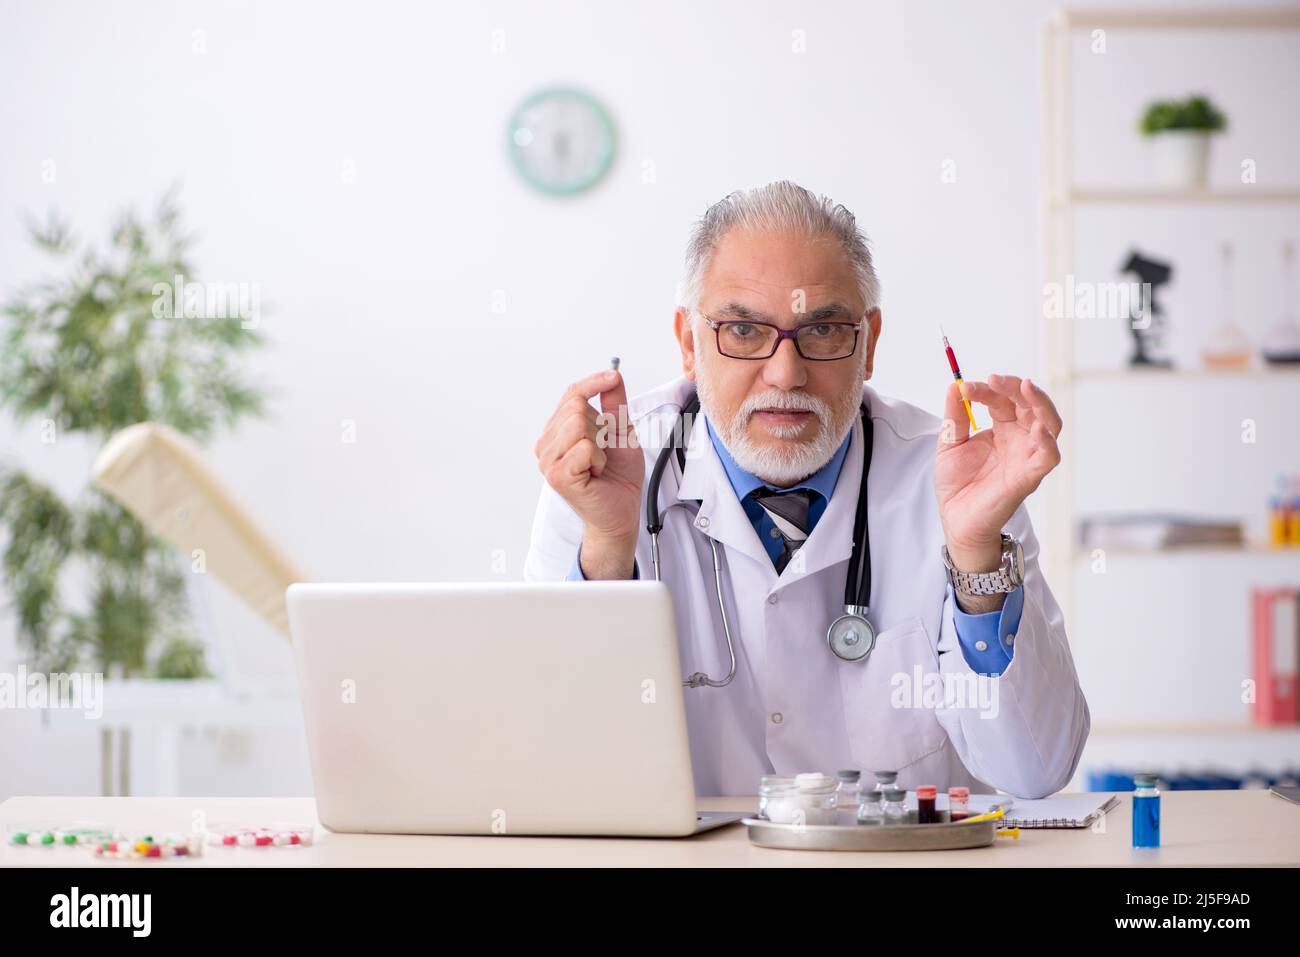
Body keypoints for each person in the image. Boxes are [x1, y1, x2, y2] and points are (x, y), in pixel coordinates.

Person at [525, 181, 1089, 798]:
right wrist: (609, 546)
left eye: (821, 332)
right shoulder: (602, 473)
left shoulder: (960, 480)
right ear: (689, 343)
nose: (785, 373)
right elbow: (557, 770)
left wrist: (976, 554)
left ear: (868, 343)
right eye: (743, 330)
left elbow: (1036, 770)